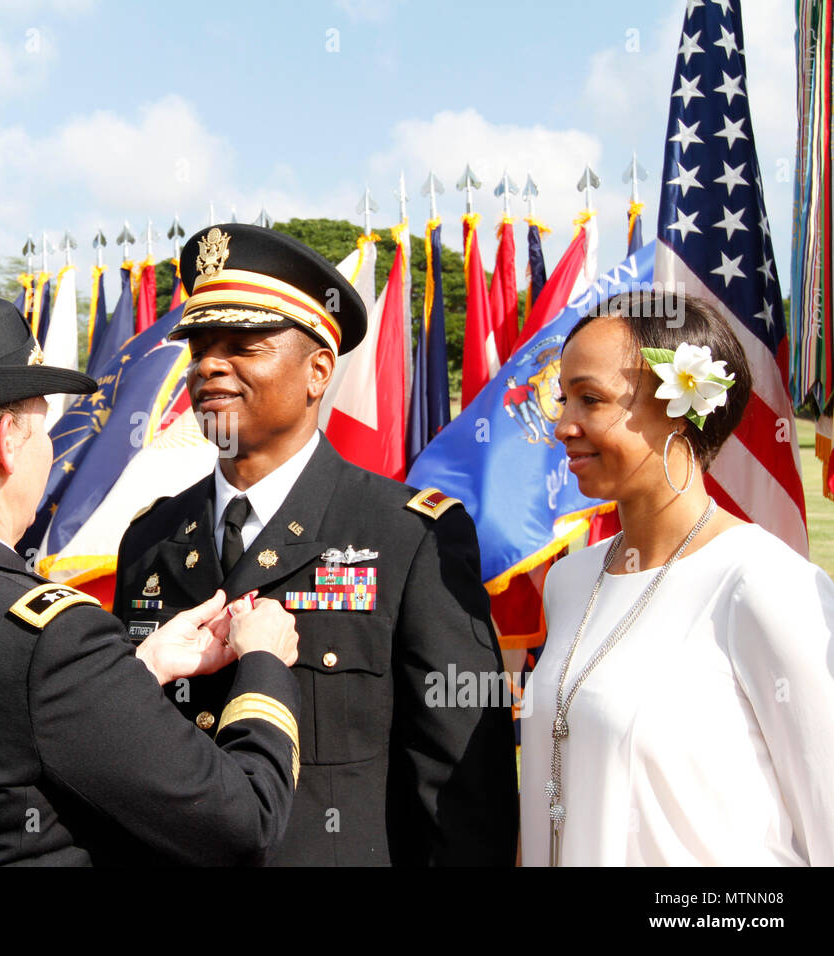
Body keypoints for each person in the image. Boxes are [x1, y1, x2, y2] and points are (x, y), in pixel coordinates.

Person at [0, 294, 304, 866]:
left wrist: (136, 672)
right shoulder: (50, 637)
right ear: (7, 443)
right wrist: (263, 662)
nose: (52, 447)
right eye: (46, 428)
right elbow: (244, 827)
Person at [112, 224, 519, 866]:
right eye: (199, 348)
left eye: (243, 344)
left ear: (318, 371)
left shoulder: (408, 534)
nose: (210, 365)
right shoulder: (150, 540)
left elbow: (462, 790)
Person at [520, 291, 834, 866]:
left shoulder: (765, 585)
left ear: (681, 407)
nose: (563, 426)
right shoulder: (569, 582)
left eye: (590, 399)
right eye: (563, 400)